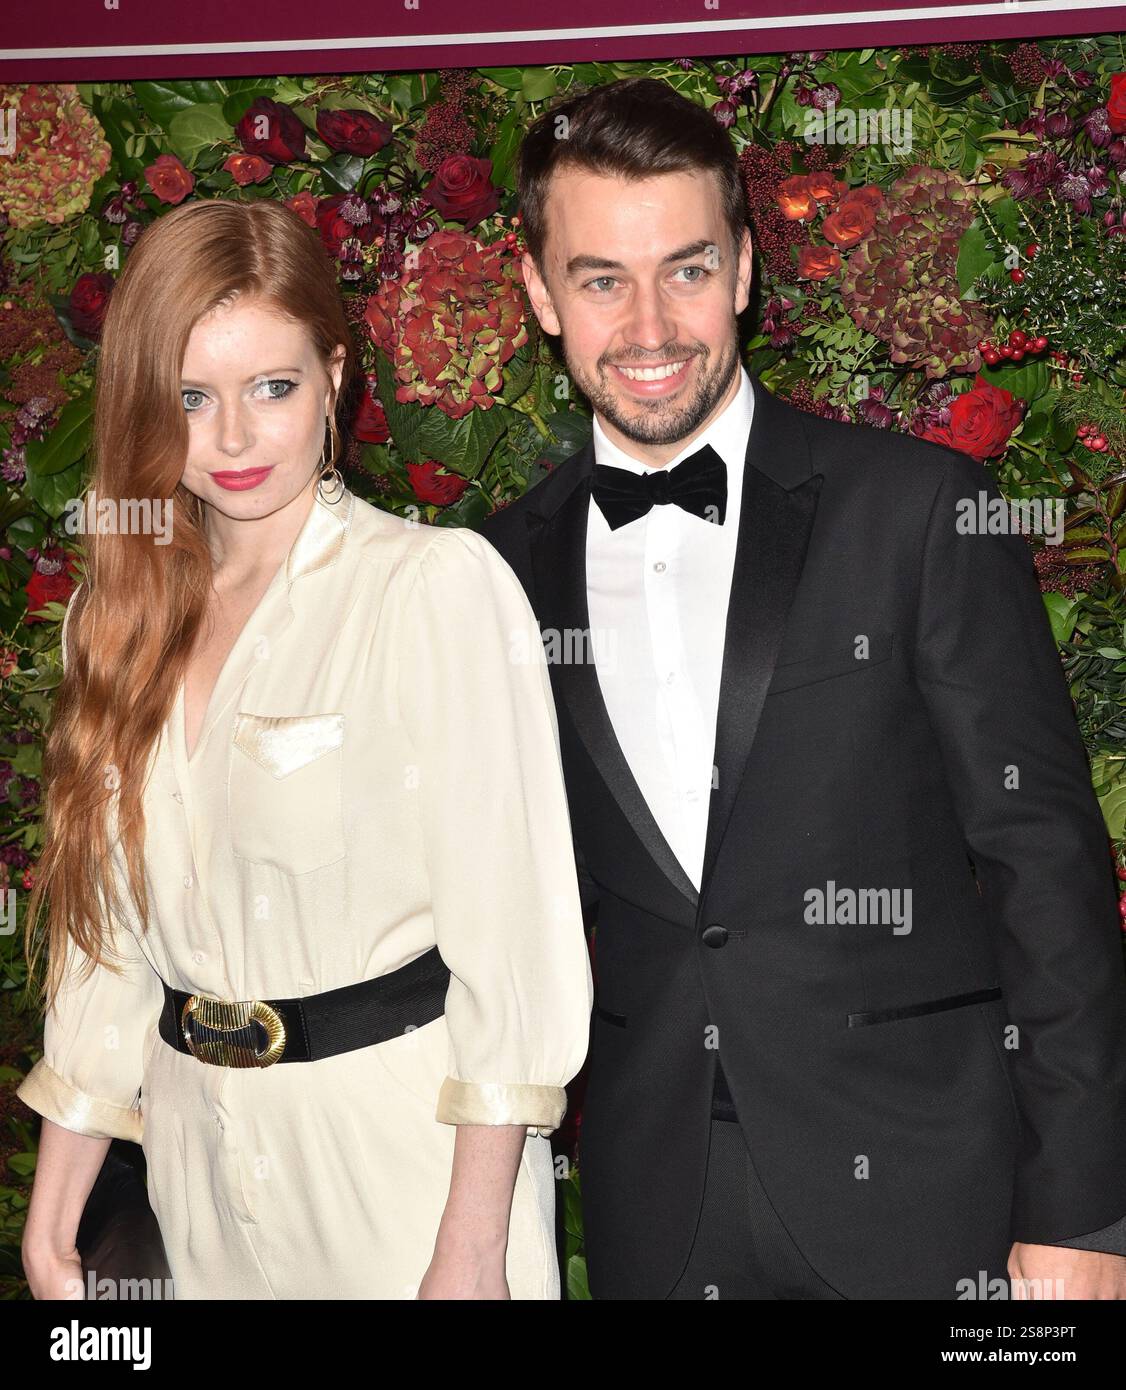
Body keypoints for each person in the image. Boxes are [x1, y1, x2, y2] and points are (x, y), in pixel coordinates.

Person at [479, 76, 1126, 1300]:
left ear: (742, 270)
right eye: (600, 278)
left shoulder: (919, 510)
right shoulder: (498, 569)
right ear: (538, 295)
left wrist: (1086, 1207)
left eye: (684, 266)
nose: (650, 324)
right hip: (652, 1201)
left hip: (934, 1191)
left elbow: (1045, 863)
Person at [17, 197, 592, 1301]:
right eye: (191, 397)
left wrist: (469, 1255)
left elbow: (511, 951)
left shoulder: (432, 589)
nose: (232, 439)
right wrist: (51, 1227)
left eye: (271, 387)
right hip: (198, 1169)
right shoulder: (117, 614)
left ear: (334, 376)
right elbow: (107, 955)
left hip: (403, 1168)